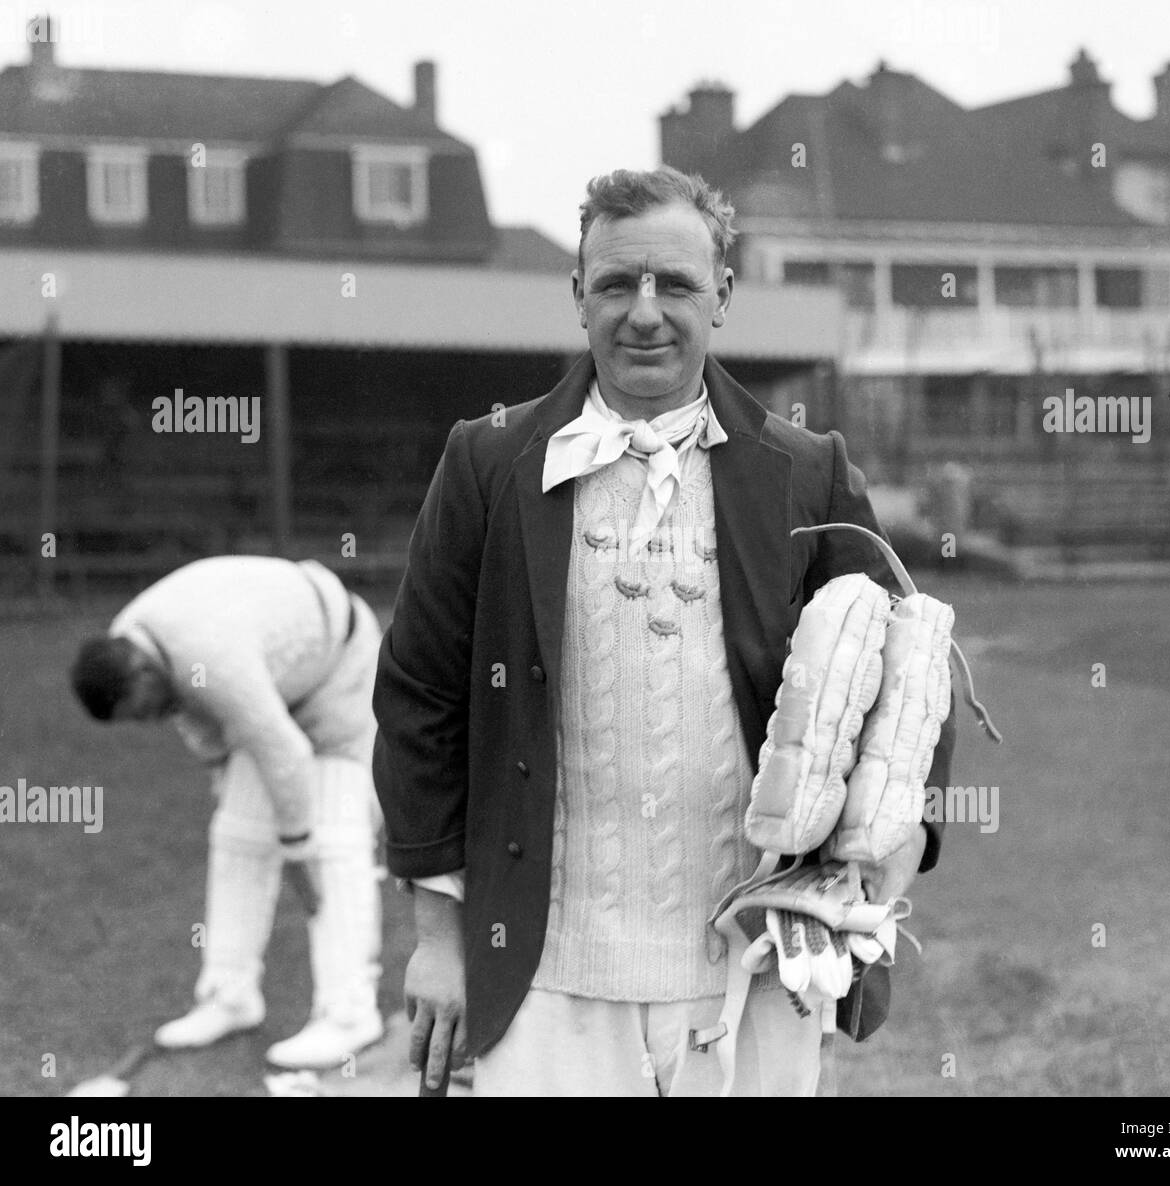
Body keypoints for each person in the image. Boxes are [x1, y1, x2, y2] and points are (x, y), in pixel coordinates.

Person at [373, 166, 956, 1097]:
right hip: (546, 972)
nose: (645, 313)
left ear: (721, 295)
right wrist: (437, 938)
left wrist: (871, 872)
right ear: (578, 296)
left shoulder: (806, 471)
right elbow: (421, 698)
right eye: (616, 283)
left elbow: (909, 690)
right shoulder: (487, 462)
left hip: (755, 965)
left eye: (675, 284)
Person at [70, 555, 385, 1070]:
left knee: (330, 842)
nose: (148, 722)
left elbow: (284, 752)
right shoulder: (128, 640)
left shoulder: (212, 658)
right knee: (238, 833)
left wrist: (296, 850)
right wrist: (224, 773)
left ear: (141, 671)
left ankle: (349, 1014)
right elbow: (193, 714)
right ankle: (229, 995)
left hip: (337, 666)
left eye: (140, 710)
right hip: (272, 676)